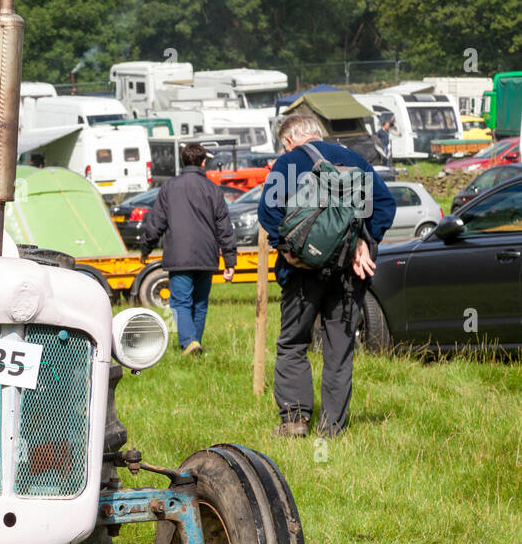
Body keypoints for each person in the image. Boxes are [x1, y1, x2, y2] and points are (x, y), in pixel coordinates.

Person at [256, 112, 397, 438]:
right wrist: (365, 240)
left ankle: (294, 421)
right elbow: (386, 204)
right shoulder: (354, 160)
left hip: (301, 272)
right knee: (338, 349)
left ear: (289, 140)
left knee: (293, 343)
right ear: (318, 133)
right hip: (349, 272)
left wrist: (288, 249)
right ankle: (331, 428)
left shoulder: (288, 164)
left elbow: (268, 212)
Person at [138, 142, 237, 355]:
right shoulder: (213, 189)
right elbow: (224, 226)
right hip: (207, 256)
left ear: (183, 162)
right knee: (200, 303)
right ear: (203, 162)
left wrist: (146, 248)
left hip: (179, 256)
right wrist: (230, 260)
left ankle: (189, 343)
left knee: (181, 302)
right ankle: (194, 344)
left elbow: (156, 222)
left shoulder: (169, 187)